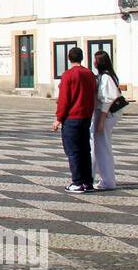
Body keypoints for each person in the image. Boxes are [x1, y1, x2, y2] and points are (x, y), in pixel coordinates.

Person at [52, 46, 97, 193]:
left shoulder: (68, 75)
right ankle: (88, 182)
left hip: (72, 118)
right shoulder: (89, 74)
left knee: (73, 151)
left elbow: (64, 99)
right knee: (85, 150)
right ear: (82, 57)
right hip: (86, 117)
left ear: (69, 58)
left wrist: (58, 118)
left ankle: (77, 182)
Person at [91, 51, 121, 191]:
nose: (94, 63)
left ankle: (108, 181)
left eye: (95, 60)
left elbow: (108, 99)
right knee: (98, 146)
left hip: (105, 115)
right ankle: (92, 176)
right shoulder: (109, 76)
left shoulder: (106, 77)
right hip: (104, 114)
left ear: (100, 62)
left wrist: (102, 121)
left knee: (102, 147)